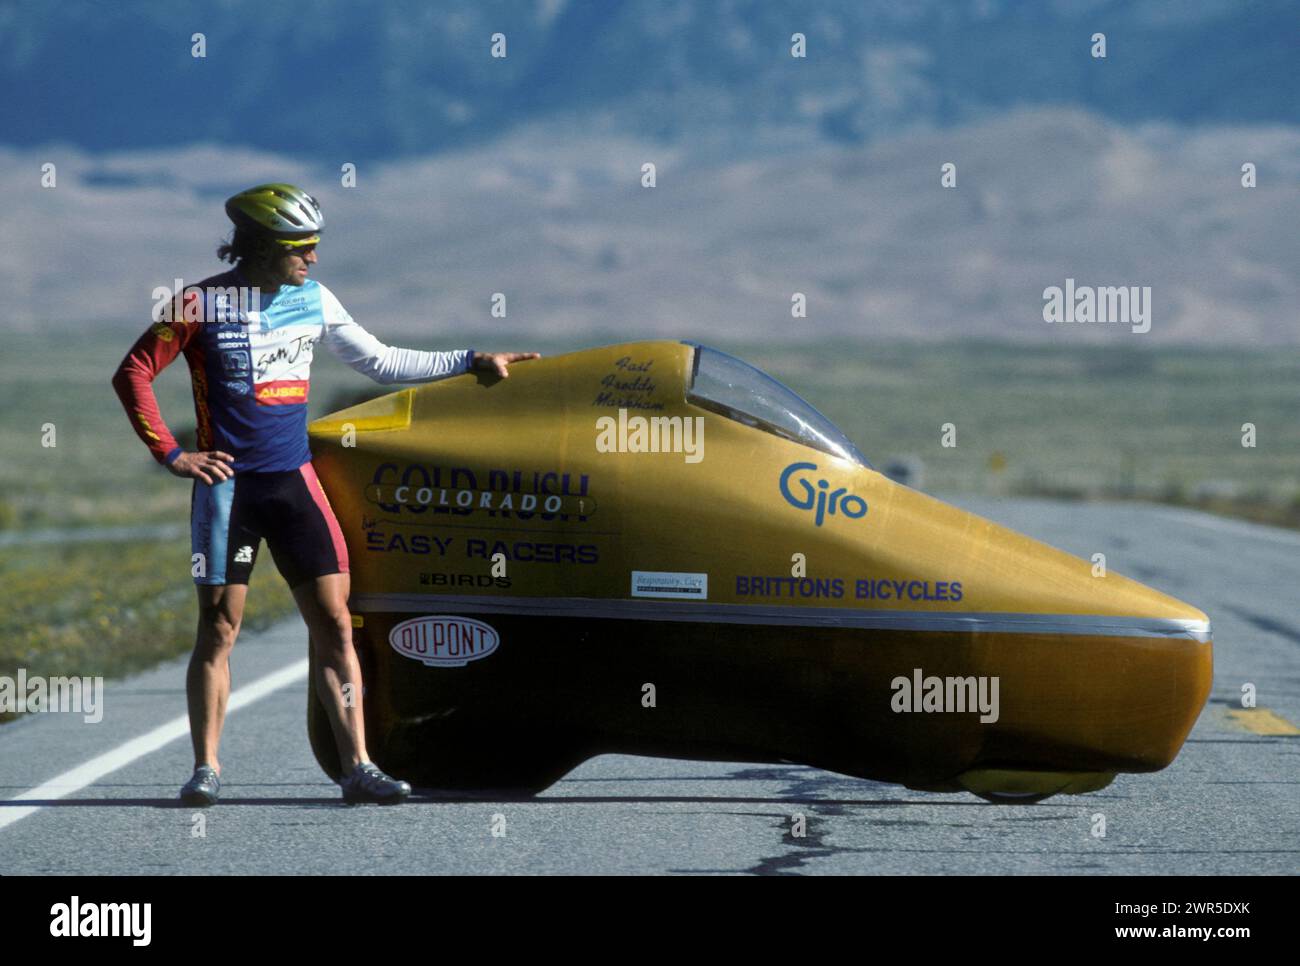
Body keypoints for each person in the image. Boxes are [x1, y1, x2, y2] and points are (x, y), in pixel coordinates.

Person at [111, 183, 538, 805]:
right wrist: (172, 455)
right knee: (219, 627)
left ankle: (358, 768)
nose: (311, 259)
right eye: (299, 248)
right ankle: (206, 769)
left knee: (336, 625)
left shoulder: (314, 298)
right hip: (228, 491)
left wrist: (470, 359)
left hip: (293, 484)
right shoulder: (199, 304)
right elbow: (133, 373)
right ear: (261, 246)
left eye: (313, 247)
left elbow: (382, 362)